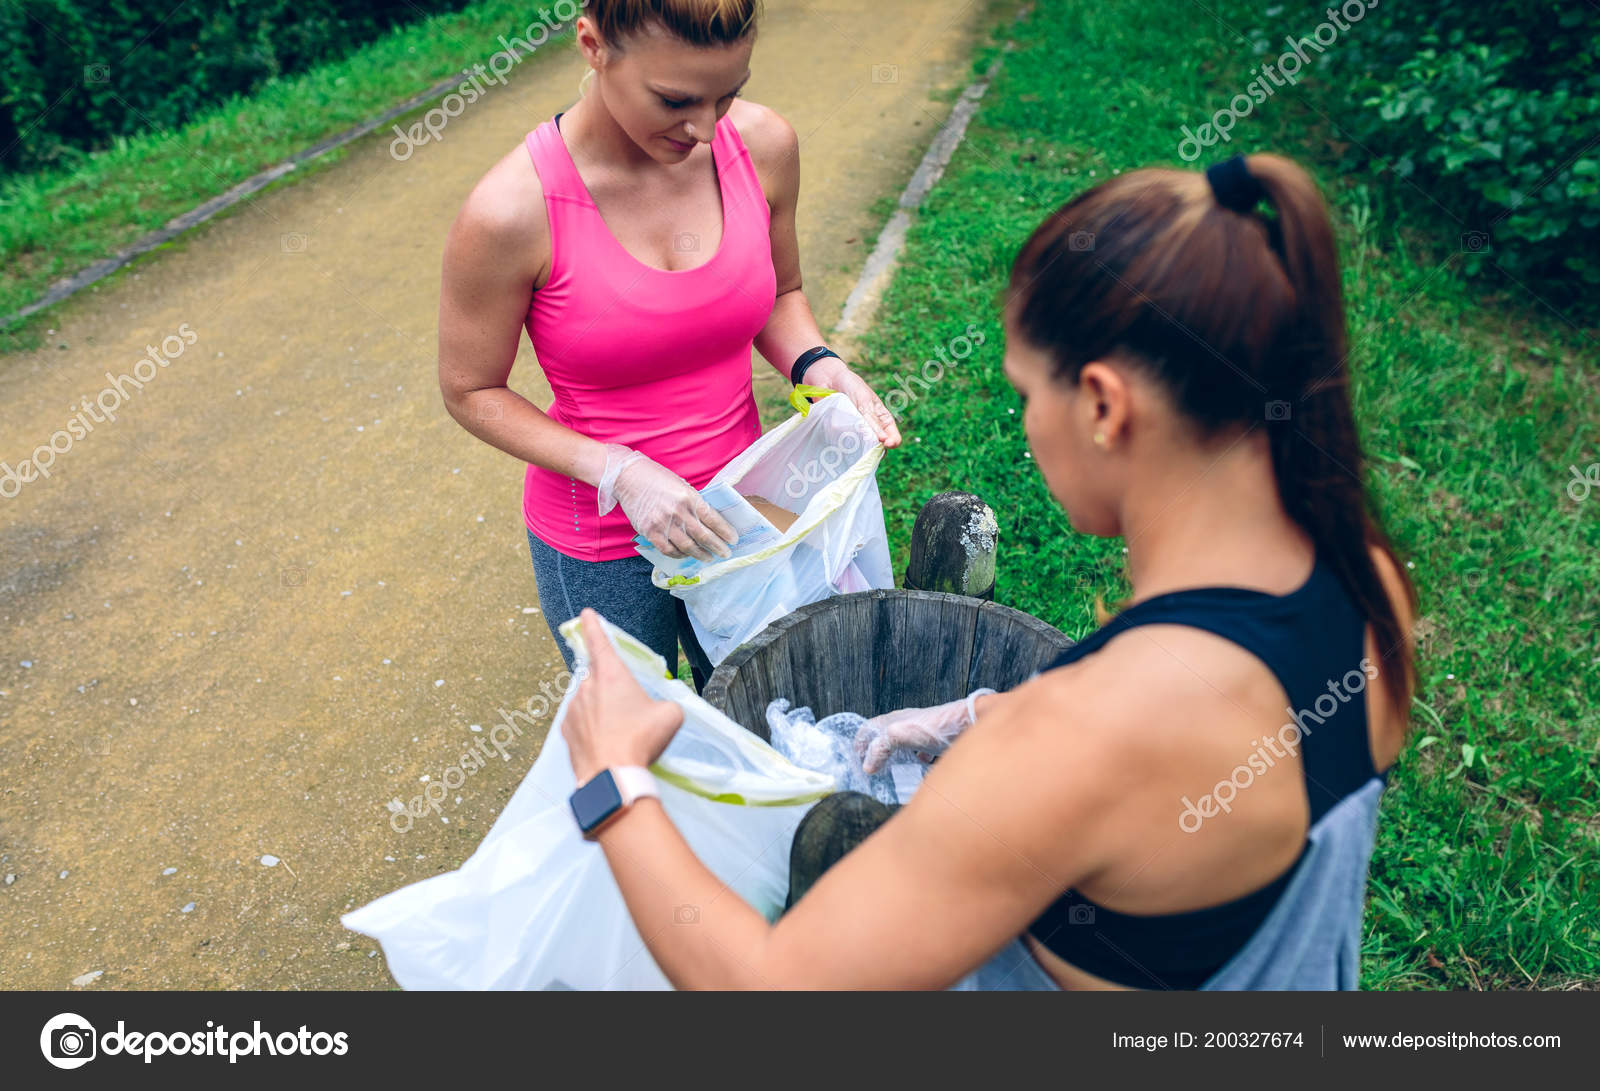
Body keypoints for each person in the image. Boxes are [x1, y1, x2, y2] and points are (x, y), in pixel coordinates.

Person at [556, 151, 1419, 989]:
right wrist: (982, 711)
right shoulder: (1363, 582)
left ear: (1103, 405)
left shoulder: (1078, 740)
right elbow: (1192, 773)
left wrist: (614, 779)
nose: (1027, 421)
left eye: (1026, 392)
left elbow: (773, 983)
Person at [437, 0, 901, 691]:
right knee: (644, 749)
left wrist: (818, 363)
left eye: (729, 93)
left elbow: (781, 294)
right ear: (592, 45)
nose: (706, 127)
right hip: (601, 546)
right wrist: (620, 472)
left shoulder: (764, 145)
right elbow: (470, 389)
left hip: (746, 513)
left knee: (777, 716)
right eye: (676, 99)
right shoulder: (511, 213)